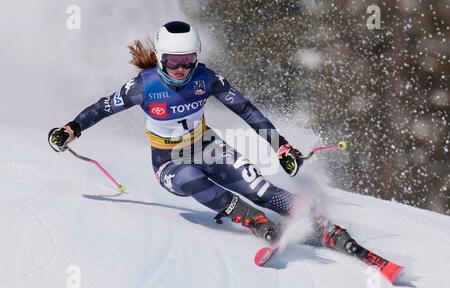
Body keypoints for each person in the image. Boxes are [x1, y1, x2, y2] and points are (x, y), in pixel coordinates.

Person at [48, 21, 355, 252]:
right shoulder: (143, 86)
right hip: (168, 161)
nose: (181, 69)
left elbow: (247, 110)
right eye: (172, 61)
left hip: (207, 146)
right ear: (160, 59)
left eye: (188, 60)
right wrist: (71, 129)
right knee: (189, 176)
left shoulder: (206, 79)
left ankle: (320, 223)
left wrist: (281, 147)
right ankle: (252, 219)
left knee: (259, 188)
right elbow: (103, 107)